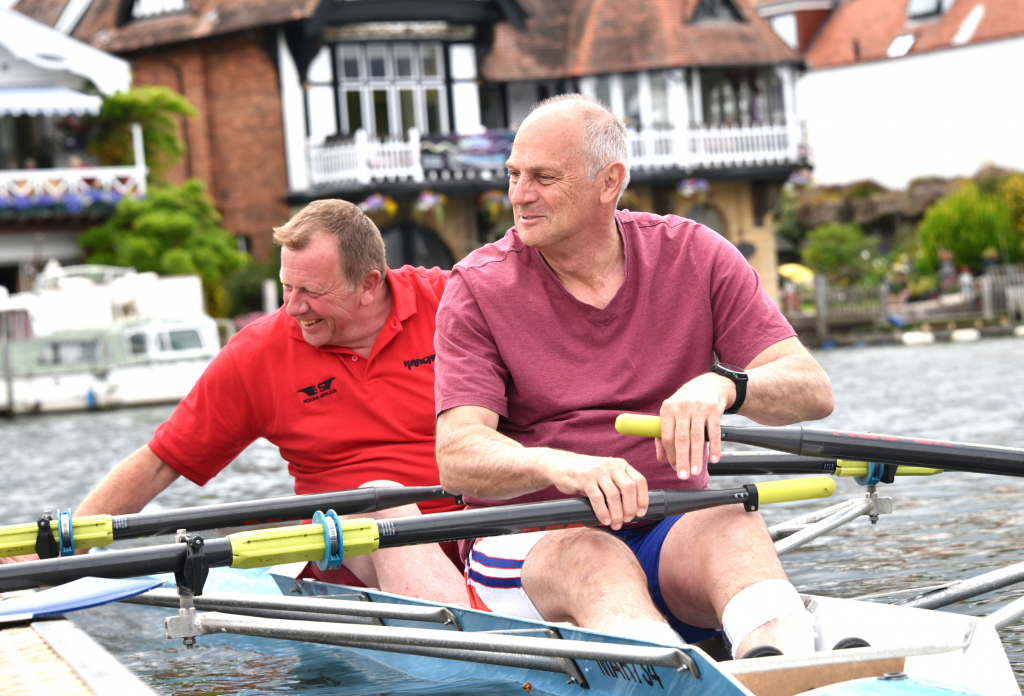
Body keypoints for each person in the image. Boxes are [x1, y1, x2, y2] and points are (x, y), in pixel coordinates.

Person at [433, 95, 835, 657]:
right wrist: (560, 464)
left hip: (664, 524)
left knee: (731, 519)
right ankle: (677, 673)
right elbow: (457, 454)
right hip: (534, 540)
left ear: (609, 182)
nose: (519, 196)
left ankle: (787, 666)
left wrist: (725, 385)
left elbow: (811, 389)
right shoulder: (477, 286)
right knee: (594, 556)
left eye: (544, 177)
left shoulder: (694, 253)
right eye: (514, 175)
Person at [3, 200, 468, 606]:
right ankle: (485, 643)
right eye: (288, 287)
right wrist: (61, 554)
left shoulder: (451, 298)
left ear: (368, 284)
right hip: (359, 542)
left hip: (480, 519)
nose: (294, 307)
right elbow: (160, 462)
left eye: (311, 292)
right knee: (381, 502)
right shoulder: (257, 356)